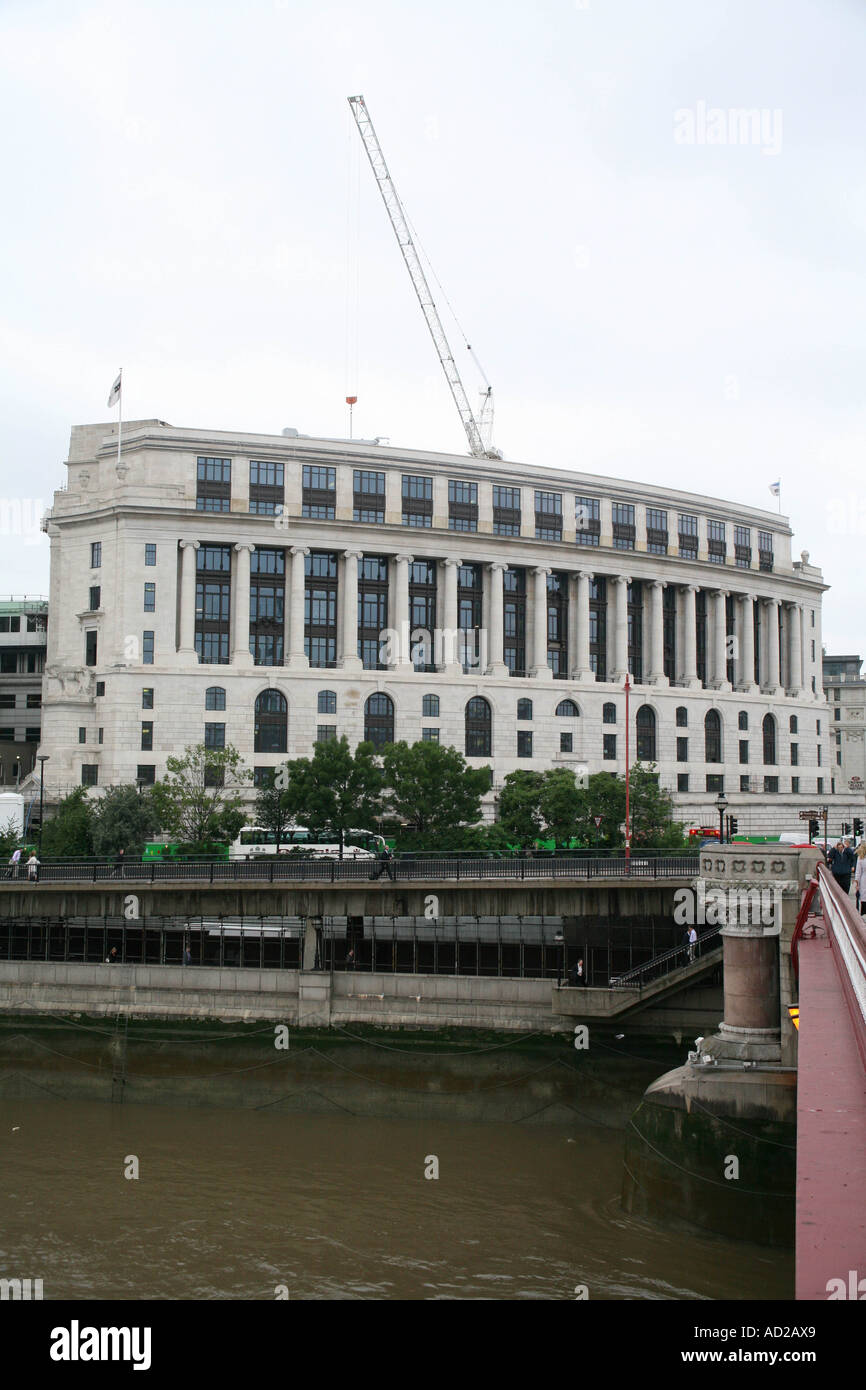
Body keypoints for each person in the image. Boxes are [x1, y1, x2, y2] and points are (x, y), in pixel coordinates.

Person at [854, 843, 866, 915]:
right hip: (863, 879)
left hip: (863, 879)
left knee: (864, 898)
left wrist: (857, 883)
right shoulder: (861, 858)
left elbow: (858, 872)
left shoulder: (860, 858)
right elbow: (858, 872)